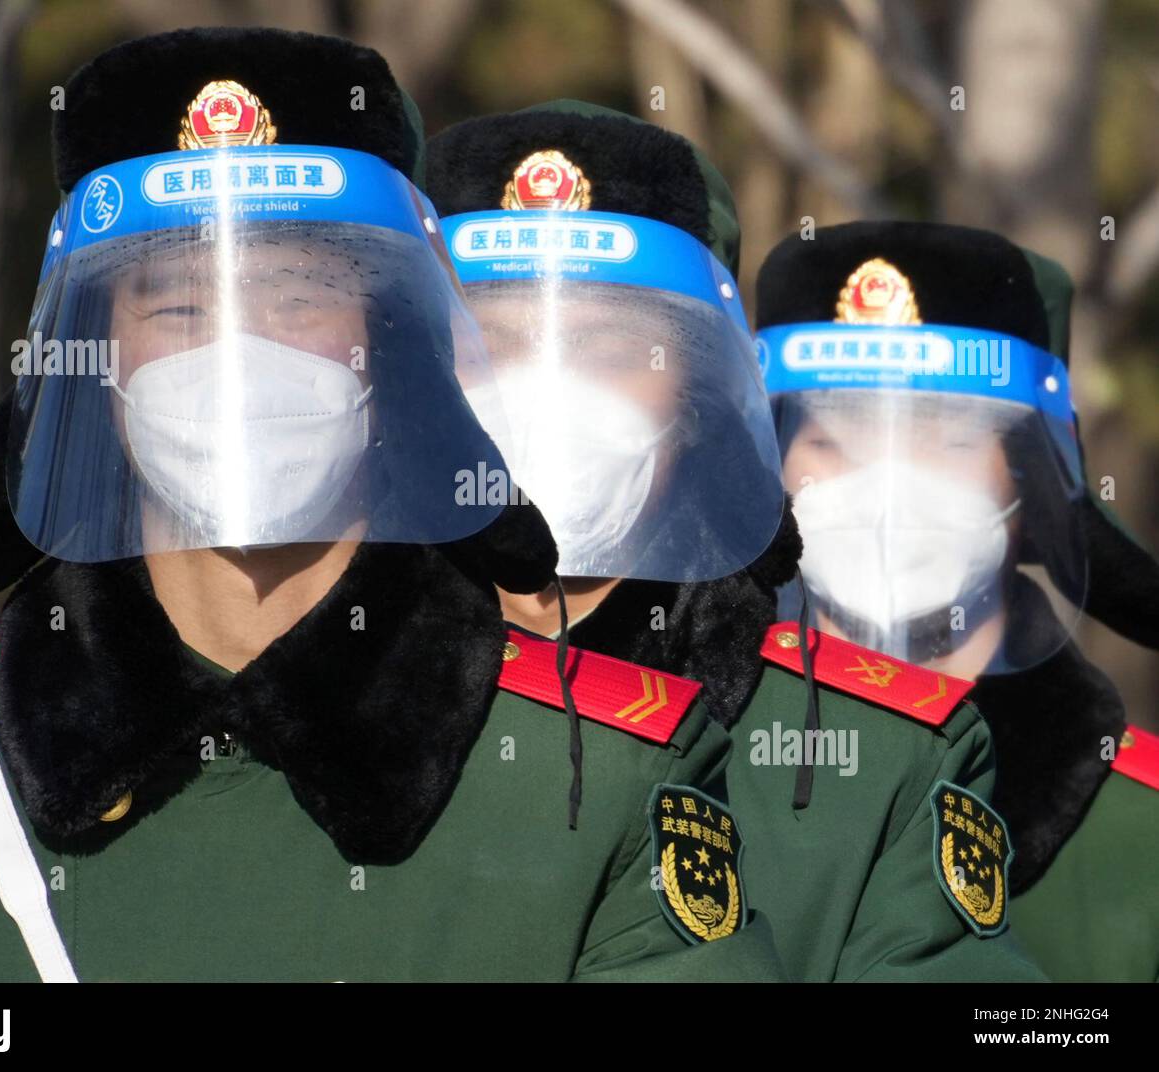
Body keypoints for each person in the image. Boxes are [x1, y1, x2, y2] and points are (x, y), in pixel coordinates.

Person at [0, 27, 794, 983]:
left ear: (390, 342)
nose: (243, 352)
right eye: (180, 307)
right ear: (98, 360)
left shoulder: (598, 779)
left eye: (300, 294)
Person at [424, 101, 1045, 980]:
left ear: (701, 392)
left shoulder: (876, 758)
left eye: (607, 347)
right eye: (491, 342)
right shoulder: (295, 705)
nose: (543, 394)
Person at [754, 220, 1159, 981]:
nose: (885, 490)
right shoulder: (674, 769)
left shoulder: (1141, 835)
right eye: (832, 442)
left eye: (949, 439)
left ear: (1031, 479)